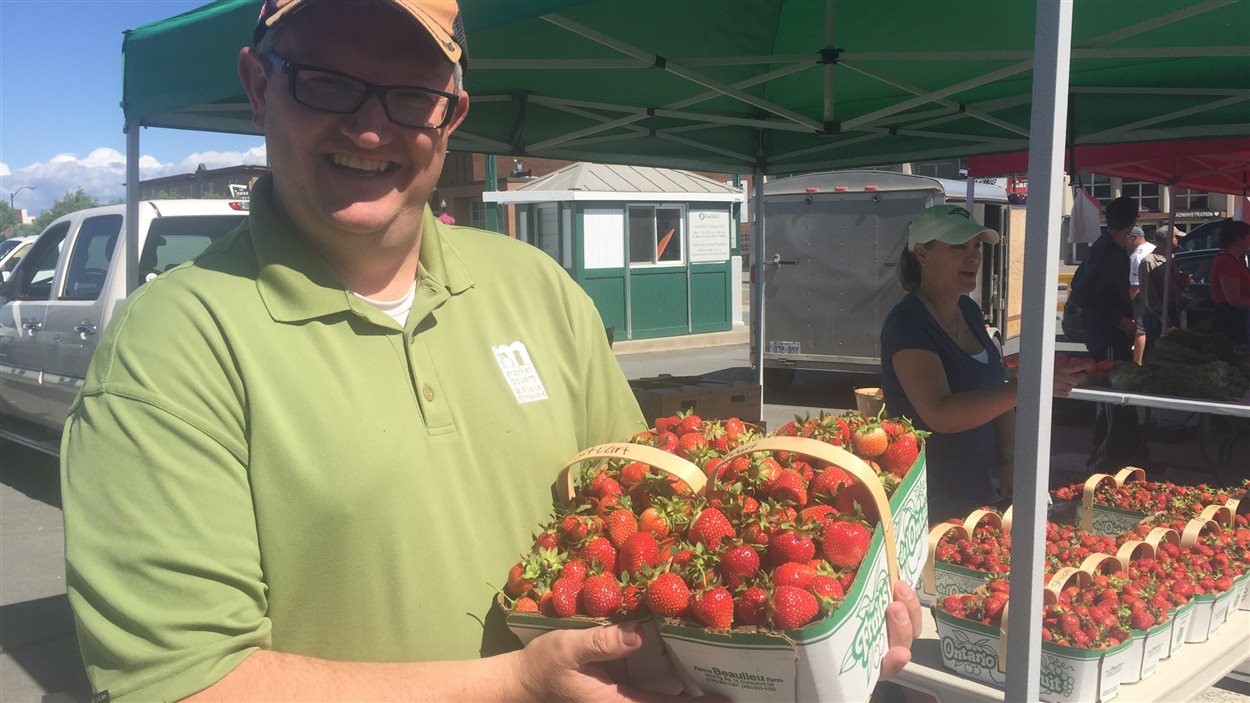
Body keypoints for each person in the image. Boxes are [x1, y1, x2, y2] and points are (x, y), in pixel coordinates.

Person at [58, 1, 923, 700]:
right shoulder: (171, 348)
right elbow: (184, 686)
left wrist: (804, 655)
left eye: (408, 96)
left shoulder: (535, 288)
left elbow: (652, 538)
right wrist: (513, 684)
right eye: (324, 82)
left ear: (453, 114)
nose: (369, 128)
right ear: (257, 85)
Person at [880, 205, 1083, 522]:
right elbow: (940, 414)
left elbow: (996, 392)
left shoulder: (970, 313)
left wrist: (1010, 463)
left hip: (985, 492)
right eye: (958, 247)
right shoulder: (908, 323)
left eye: (976, 246)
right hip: (932, 500)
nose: (973, 257)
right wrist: (1030, 386)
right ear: (922, 253)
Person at [1068, 196, 1144, 471]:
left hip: (1107, 333)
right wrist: (1119, 319)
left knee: (1117, 397)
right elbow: (1082, 291)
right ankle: (1104, 461)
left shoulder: (1103, 248)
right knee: (1112, 400)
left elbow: (1079, 284)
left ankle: (1126, 455)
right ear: (1132, 222)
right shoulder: (1107, 252)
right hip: (1108, 335)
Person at [1137, 225, 1191, 359]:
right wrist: (1162, 316)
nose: (1178, 242)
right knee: (1155, 352)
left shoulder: (1170, 260)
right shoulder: (1149, 262)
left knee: (1171, 354)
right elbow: (1149, 293)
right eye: (1176, 238)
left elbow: (1175, 286)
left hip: (1173, 312)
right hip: (1157, 317)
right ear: (1167, 240)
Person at [1210, 218, 1250, 344]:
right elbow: (1234, 299)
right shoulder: (1226, 261)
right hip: (1232, 320)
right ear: (1238, 240)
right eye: (1249, 239)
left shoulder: (1237, 260)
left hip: (1239, 317)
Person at [1126, 225, 1155, 365]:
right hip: (1156, 297)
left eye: (1127, 239)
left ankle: (1137, 362)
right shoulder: (1152, 248)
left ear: (1134, 238)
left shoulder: (1136, 256)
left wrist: (1128, 304)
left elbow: (1135, 285)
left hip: (1142, 298)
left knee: (1140, 330)